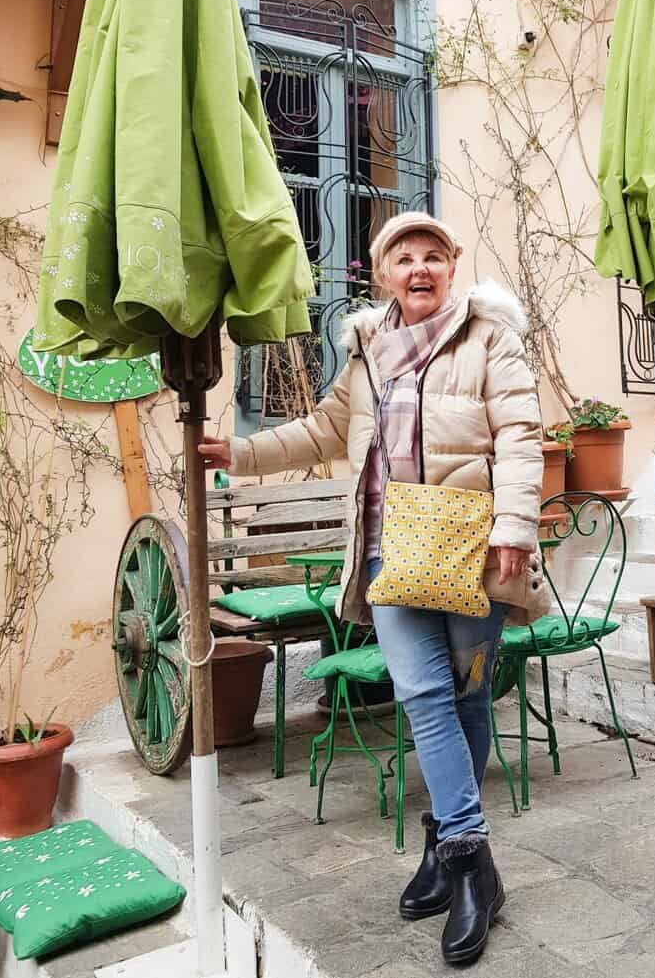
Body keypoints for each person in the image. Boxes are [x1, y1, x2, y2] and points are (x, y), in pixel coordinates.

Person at [199, 211, 549, 965]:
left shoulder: (491, 338)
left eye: (432, 256)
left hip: (473, 552)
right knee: (422, 695)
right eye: (404, 257)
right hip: (390, 554)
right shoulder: (366, 352)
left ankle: (443, 841)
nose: (419, 269)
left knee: (468, 694)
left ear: (451, 267)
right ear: (381, 271)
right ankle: (469, 860)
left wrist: (516, 527)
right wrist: (239, 449)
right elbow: (324, 431)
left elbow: (522, 432)